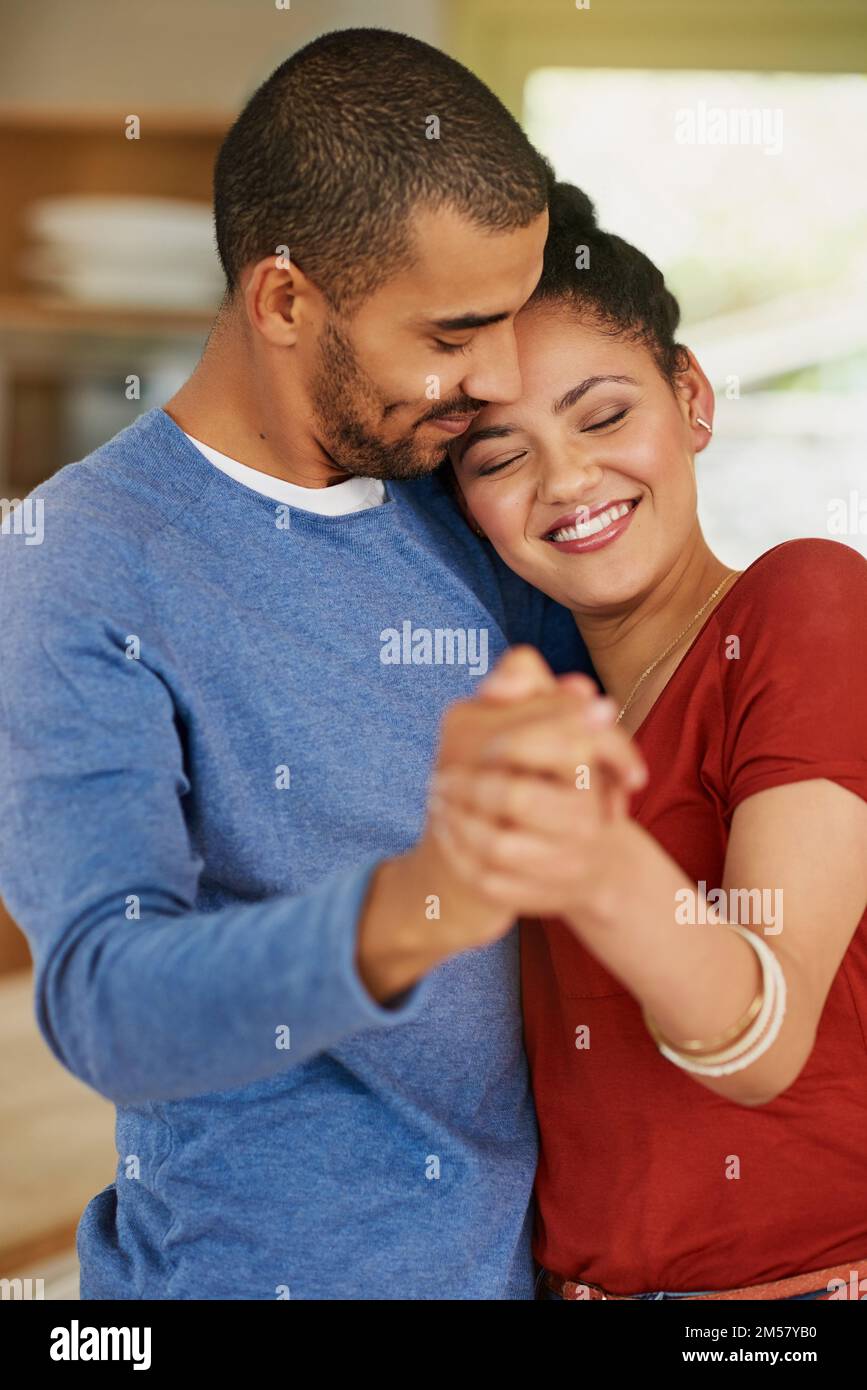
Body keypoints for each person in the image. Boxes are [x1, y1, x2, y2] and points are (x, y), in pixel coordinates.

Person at [0, 32, 606, 1301]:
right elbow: (110, 1006)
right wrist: (424, 898)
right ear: (284, 303)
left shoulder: (461, 493)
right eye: (456, 330)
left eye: (517, 313)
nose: (498, 378)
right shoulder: (79, 560)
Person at [439, 181, 867, 1301]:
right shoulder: (550, 707)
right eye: (497, 458)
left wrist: (588, 856)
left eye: (603, 415)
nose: (569, 481)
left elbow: (763, 1038)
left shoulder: (807, 601)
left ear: (692, 398)